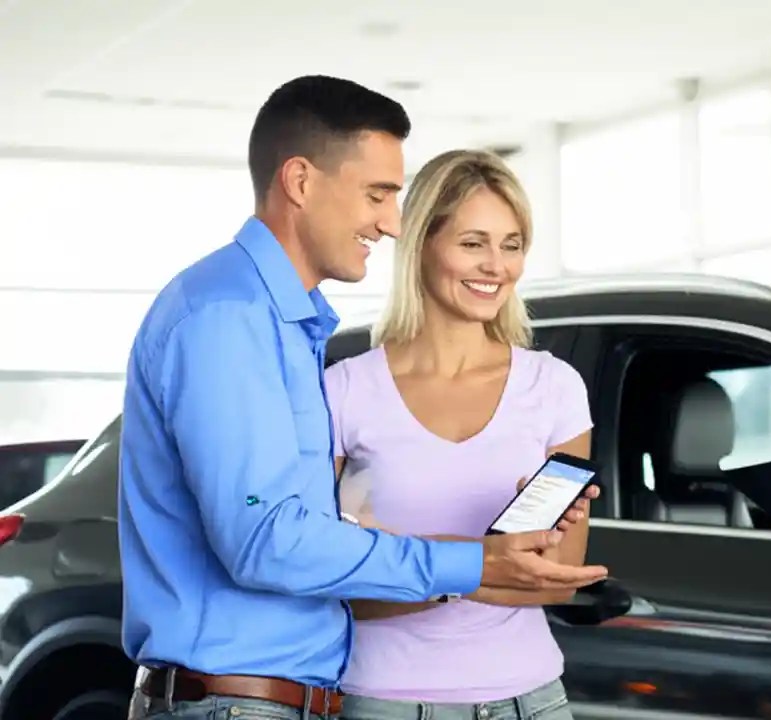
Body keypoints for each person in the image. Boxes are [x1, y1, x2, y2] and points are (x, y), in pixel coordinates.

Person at [118, 76, 607, 720]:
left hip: (285, 698)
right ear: (300, 182)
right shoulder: (232, 319)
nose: (389, 221)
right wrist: (474, 562)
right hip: (244, 702)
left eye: (511, 245)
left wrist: (486, 561)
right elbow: (266, 540)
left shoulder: (288, 328)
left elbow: (332, 545)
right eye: (377, 194)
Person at [324, 149, 590, 720]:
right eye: (473, 243)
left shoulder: (554, 388)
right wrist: (487, 565)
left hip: (532, 701)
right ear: (421, 243)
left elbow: (557, 582)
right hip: (387, 704)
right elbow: (351, 588)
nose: (496, 265)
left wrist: (420, 570)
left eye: (511, 244)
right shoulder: (348, 394)